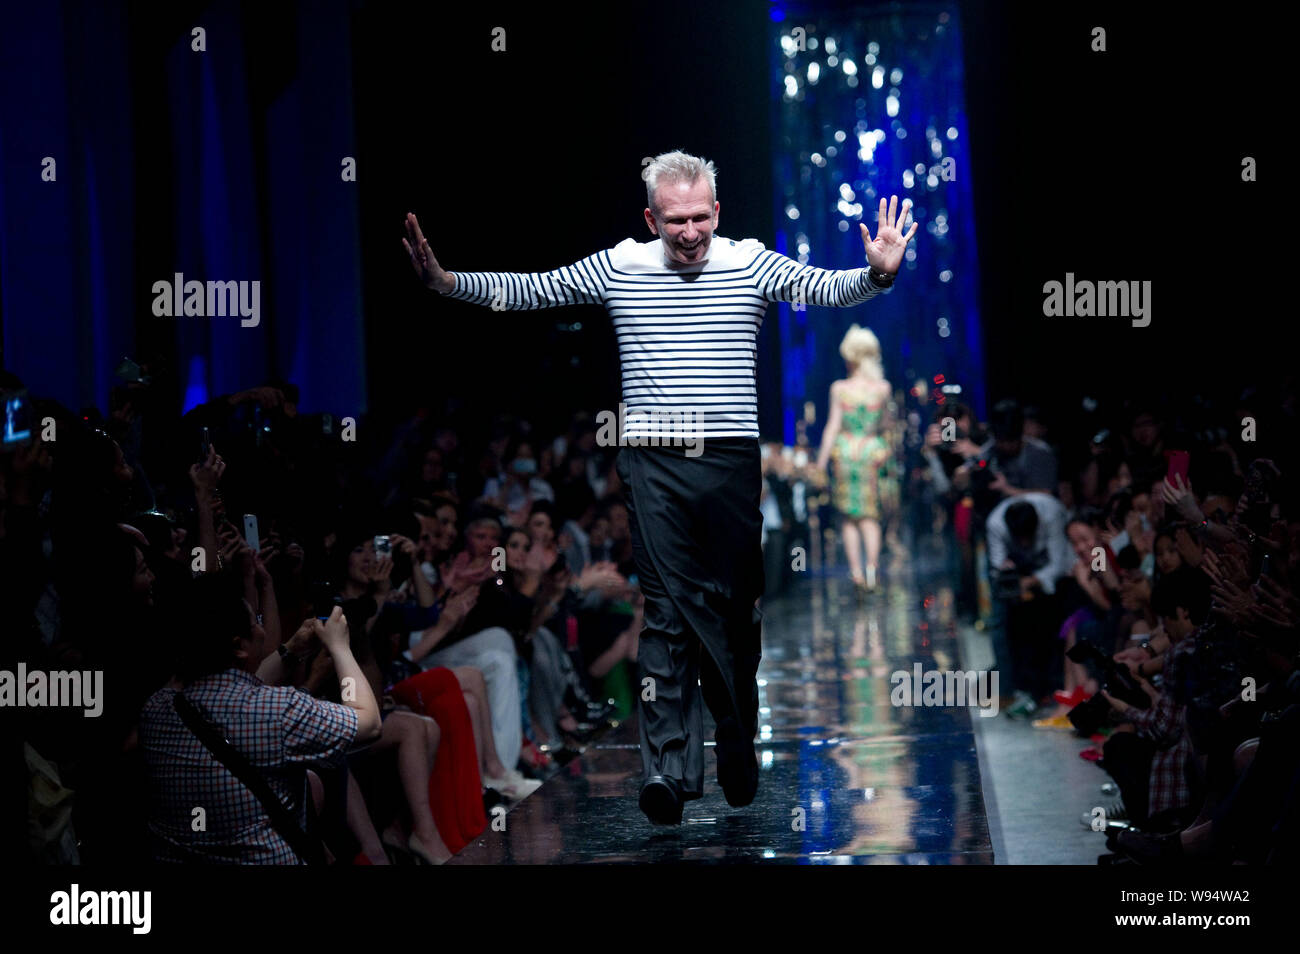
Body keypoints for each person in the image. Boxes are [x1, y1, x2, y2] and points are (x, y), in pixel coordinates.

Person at [400, 149, 917, 824]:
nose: (691, 232)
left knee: (734, 614)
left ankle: (734, 739)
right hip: (651, 462)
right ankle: (666, 772)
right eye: (676, 221)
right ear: (651, 217)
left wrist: (876, 277)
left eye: (702, 217)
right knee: (666, 615)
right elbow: (533, 289)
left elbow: (822, 286)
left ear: (718, 211)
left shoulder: (751, 261)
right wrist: (444, 282)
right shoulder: (621, 265)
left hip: (729, 461)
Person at [814, 324, 898, 594]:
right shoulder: (883, 388)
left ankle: (856, 573)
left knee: (849, 518)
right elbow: (887, 426)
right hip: (871, 454)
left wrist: (820, 463)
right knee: (870, 517)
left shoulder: (839, 388)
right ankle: (872, 570)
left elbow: (832, 426)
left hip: (846, 454)